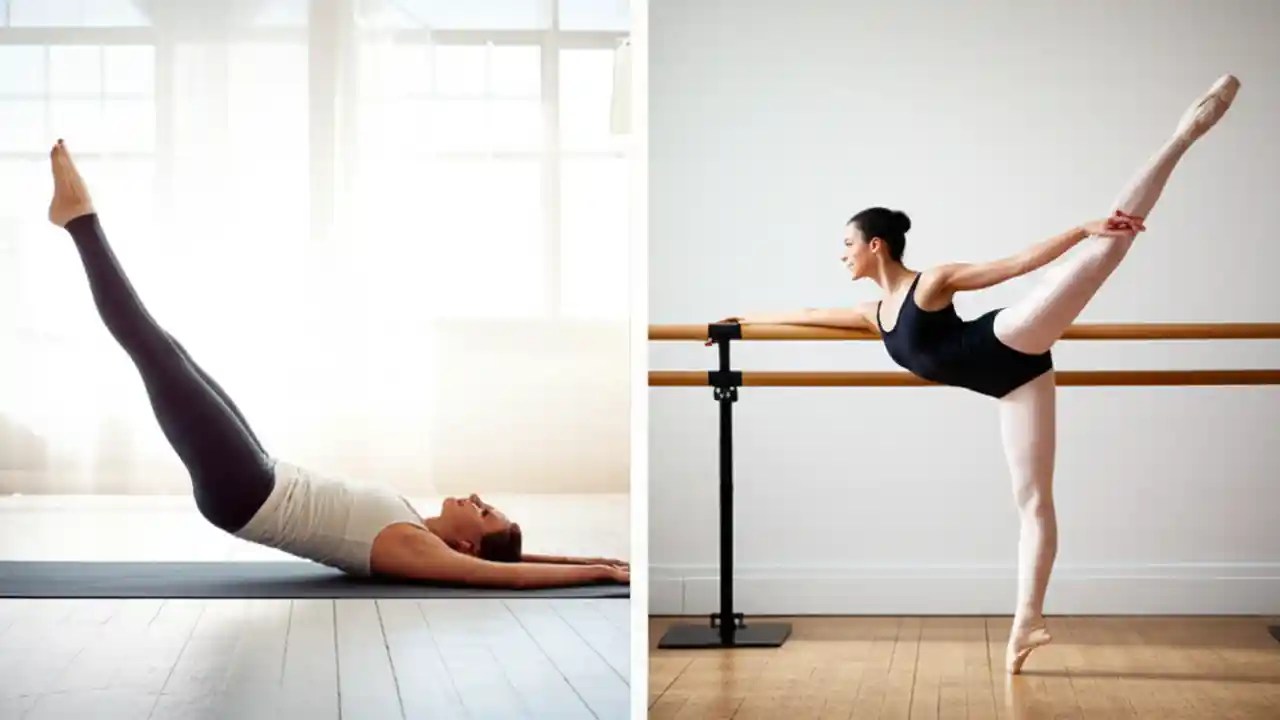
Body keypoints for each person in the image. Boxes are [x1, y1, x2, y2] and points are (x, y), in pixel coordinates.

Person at [724, 74, 1239, 673]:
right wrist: (741, 318)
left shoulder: (932, 282)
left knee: (1104, 252)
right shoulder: (872, 316)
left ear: (878, 247)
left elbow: (1012, 265)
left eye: (847, 243)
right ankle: (1027, 622)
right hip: (1013, 383)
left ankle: (1185, 133)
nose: (841, 253)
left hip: (1011, 336)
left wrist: (1080, 229)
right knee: (1033, 500)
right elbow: (809, 315)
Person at [44, 140, 629, 589]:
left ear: (469, 546)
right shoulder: (419, 528)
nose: (476, 497)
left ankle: (79, 220)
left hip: (246, 490)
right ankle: (77, 219)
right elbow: (515, 559)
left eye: (484, 512)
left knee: (150, 347)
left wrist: (596, 579)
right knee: (168, 348)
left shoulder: (417, 551)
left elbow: (501, 575)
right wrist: (597, 559)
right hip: (262, 472)